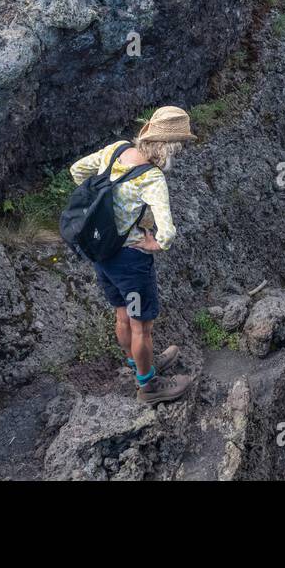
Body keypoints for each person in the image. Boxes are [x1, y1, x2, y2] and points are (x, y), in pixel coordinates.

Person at [69, 106, 196, 405]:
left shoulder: (116, 149)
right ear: (170, 147)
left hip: (102, 252)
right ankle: (148, 386)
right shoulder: (151, 178)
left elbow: (77, 172)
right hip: (130, 259)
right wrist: (155, 244)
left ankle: (137, 364)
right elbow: (167, 231)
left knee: (123, 315)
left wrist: (106, 206)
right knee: (143, 327)